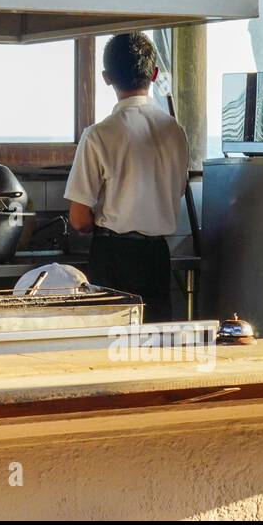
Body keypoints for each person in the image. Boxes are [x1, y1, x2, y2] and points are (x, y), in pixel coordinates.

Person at [65, 33, 189, 323]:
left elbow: (80, 218)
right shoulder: (176, 131)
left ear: (106, 78)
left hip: (113, 255)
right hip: (157, 254)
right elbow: (178, 190)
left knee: (111, 344)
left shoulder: (98, 135)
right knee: (155, 343)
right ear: (154, 74)